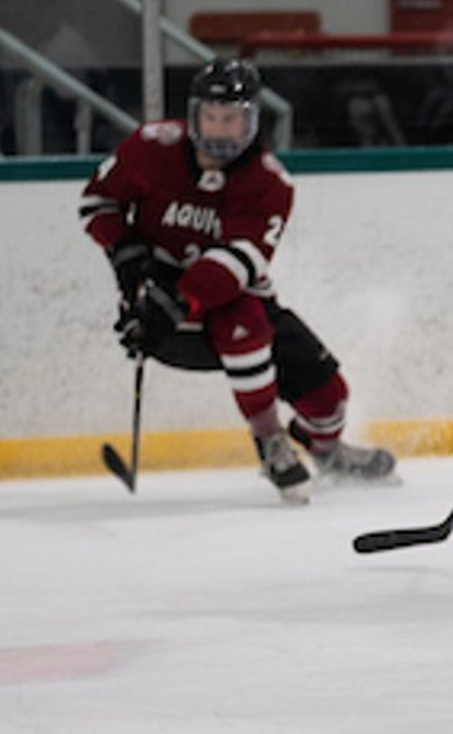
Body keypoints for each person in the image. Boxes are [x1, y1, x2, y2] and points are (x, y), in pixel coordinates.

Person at [78, 57, 397, 503]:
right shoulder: (152, 147)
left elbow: (239, 263)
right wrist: (126, 255)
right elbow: (98, 202)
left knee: (330, 397)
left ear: (250, 120)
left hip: (218, 298)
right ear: (194, 115)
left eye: (230, 119)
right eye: (210, 116)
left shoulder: (269, 183)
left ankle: (326, 450)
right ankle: (270, 442)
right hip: (171, 316)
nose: (218, 129)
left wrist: (179, 301)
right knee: (240, 319)